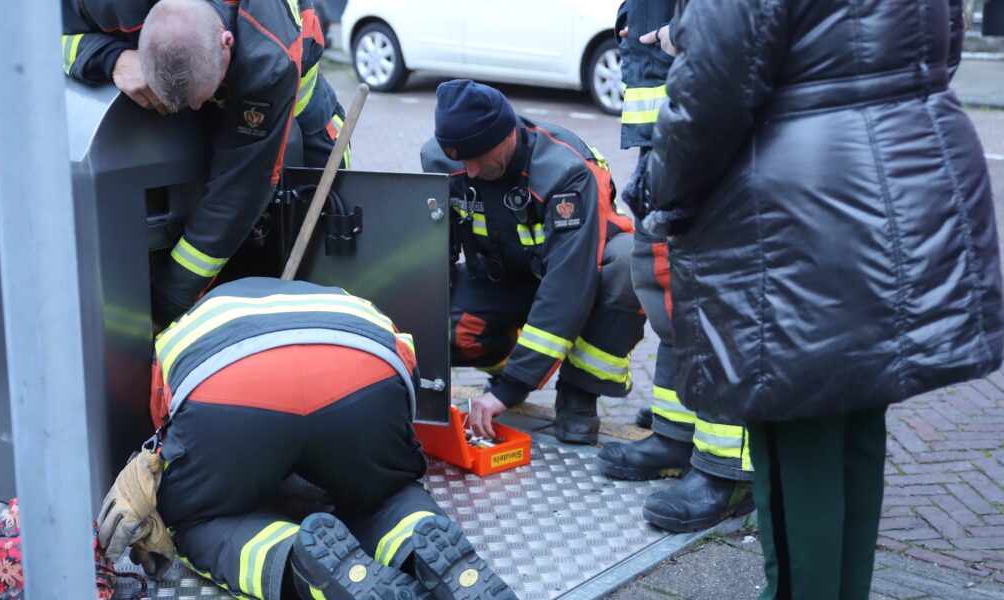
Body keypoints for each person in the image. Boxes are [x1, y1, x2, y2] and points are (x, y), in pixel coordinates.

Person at [631, 0, 1004, 596]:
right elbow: (937, 42)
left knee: (792, 437)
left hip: (794, 207)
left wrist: (658, 190)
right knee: (856, 421)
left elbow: (713, 88)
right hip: (901, 176)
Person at [97, 277, 516, 600]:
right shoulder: (344, 299)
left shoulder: (184, 328)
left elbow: (169, 423)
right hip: (363, 370)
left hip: (228, 390)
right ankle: (426, 543)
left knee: (200, 519)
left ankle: (302, 564)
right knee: (385, 494)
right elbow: (406, 375)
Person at [61, 0, 351, 326]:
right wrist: (110, 56)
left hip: (298, 122)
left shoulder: (267, 52)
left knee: (320, 257)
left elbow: (236, 198)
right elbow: (33, 42)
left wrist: (163, 308)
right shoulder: (108, 5)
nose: (196, 107)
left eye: (201, 95)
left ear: (226, 42)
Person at [594, 0, 754, 534]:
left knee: (719, 309)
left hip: (714, 134)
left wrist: (681, 34)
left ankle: (728, 472)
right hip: (667, 136)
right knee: (669, 294)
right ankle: (677, 436)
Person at [421, 80, 647, 445]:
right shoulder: (445, 161)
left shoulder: (564, 170)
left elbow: (568, 284)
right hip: (505, 278)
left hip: (585, 279)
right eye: (463, 160)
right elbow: (433, 251)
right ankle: (515, 368)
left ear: (509, 134)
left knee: (628, 265)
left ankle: (578, 392)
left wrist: (509, 391)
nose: (472, 171)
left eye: (480, 157)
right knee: (442, 328)